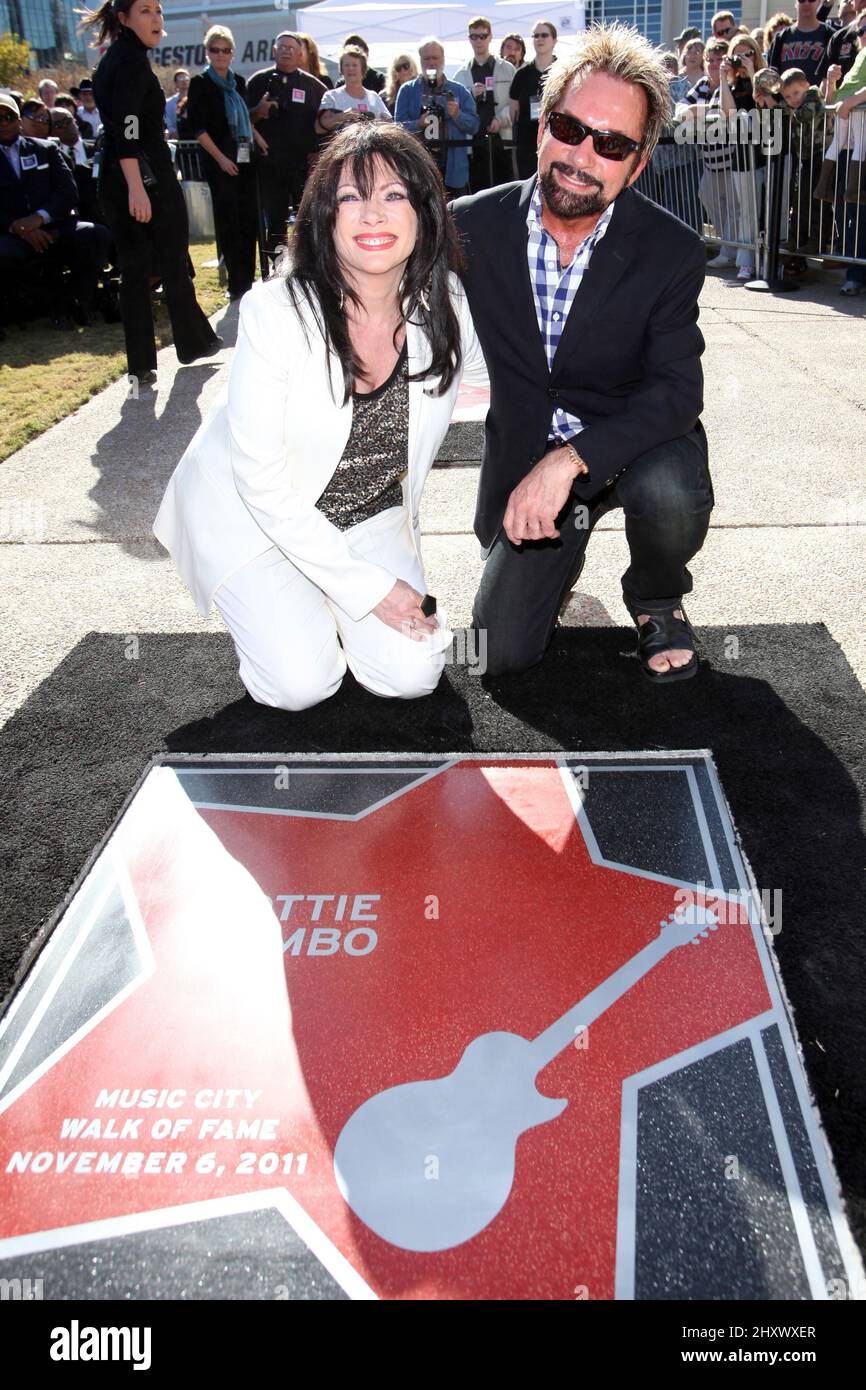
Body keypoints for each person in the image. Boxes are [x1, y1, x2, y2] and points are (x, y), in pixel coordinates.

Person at [153, 122, 488, 712]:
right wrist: (369, 591)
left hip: (370, 514)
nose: (372, 215)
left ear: (424, 212)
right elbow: (260, 482)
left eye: (393, 195)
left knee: (413, 675)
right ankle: (292, 612)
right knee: (299, 687)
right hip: (259, 522)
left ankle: (328, 608)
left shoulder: (449, 305)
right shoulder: (274, 312)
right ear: (324, 218)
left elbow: (507, 385)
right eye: (351, 198)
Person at [451, 24, 712, 684]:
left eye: (613, 143)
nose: (582, 155)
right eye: (570, 128)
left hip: (636, 442)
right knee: (499, 655)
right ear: (542, 125)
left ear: (637, 164)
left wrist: (573, 459)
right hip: (528, 457)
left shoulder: (671, 251)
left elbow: (678, 393)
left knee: (668, 489)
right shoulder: (469, 228)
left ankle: (656, 600)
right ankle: (561, 554)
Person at [87, 0, 221, 386]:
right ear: (123, 18)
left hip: (127, 175)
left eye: (159, 10)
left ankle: (148, 360)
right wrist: (136, 187)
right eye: (145, 10)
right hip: (142, 177)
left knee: (138, 269)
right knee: (167, 260)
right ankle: (190, 343)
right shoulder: (128, 60)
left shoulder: (119, 57)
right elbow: (127, 126)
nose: (156, 19)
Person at [0, 91, 112, 330]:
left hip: (54, 226)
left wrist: (39, 218)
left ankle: (78, 301)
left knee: (96, 234)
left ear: (19, 120)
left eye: (8, 116)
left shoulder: (45, 150)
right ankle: (33, 308)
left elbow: (67, 191)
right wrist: (19, 226)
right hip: (12, 233)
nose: (3, 123)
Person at [186, 25, 263, 303]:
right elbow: (198, 128)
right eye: (215, 50)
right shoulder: (200, 84)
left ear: (232, 53)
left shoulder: (238, 82)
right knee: (229, 222)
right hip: (220, 161)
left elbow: (244, 118)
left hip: (244, 156)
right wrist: (221, 159)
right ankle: (236, 282)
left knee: (249, 221)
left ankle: (248, 276)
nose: (221, 55)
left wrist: (258, 140)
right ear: (207, 52)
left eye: (226, 50)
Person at [245, 31, 325, 251]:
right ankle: (278, 267)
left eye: (292, 48)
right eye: (282, 47)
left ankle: (307, 263)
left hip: (303, 166)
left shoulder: (314, 87)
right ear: (274, 51)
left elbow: (325, 125)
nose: (286, 51)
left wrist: (318, 154)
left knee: (307, 220)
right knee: (276, 221)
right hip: (269, 165)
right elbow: (242, 121)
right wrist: (257, 112)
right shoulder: (258, 81)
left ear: (300, 54)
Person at [395, 38, 479, 196]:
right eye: (426, 58)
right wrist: (418, 124)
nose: (431, 62)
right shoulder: (407, 91)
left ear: (443, 60)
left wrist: (457, 115)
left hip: (454, 172)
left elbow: (474, 125)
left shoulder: (459, 91)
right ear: (420, 60)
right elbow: (396, 128)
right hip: (420, 171)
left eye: (435, 58)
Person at [718, 34, 769, 281]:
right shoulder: (734, 85)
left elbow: (766, 104)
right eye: (737, 55)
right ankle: (746, 260)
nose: (743, 59)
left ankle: (765, 261)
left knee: (766, 210)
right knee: (746, 209)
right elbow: (728, 112)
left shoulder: (766, 77)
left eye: (748, 53)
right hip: (741, 154)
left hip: (767, 153)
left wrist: (752, 72)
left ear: (756, 53)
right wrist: (722, 77)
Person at [453, 16, 515, 191]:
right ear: (469, 39)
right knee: (478, 194)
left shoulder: (507, 69)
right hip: (473, 144)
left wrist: (500, 119)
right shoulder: (461, 75)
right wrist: (470, 94)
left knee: (505, 191)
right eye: (474, 36)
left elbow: (515, 103)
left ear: (490, 37)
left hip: (501, 140)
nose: (478, 41)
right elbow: (456, 111)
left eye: (482, 36)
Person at [509, 19, 557, 178]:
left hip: (557, 140)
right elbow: (513, 112)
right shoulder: (521, 75)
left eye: (544, 35)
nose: (540, 39)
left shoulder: (564, 71)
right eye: (536, 36)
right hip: (527, 144)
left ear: (554, 40)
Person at [317, 46, 392, 132]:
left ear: (363, 69)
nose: (350, 69)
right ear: (341, 69)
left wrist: (375, 121)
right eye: (347, 65)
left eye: (354, 65)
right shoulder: (331, 96)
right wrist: (343, 116)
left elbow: (390, 124)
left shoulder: (374, 96)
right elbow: (318, 128)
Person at [768, 0, 834, 83]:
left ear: (819, 2)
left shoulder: (831, 36)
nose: (806, 3)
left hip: (820, 95)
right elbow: (773, 76)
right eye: (801, 0)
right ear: (795, 2)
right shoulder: (780, 38)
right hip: (787, 95)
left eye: (811, 0)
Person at [164, 68, 189, 136]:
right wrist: (173, 131)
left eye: (186, 78)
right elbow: (168, 122)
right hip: (175, 140)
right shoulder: (168, 103)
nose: (184, 80)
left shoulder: (196, 100)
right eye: (180, 78)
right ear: (176, 83)